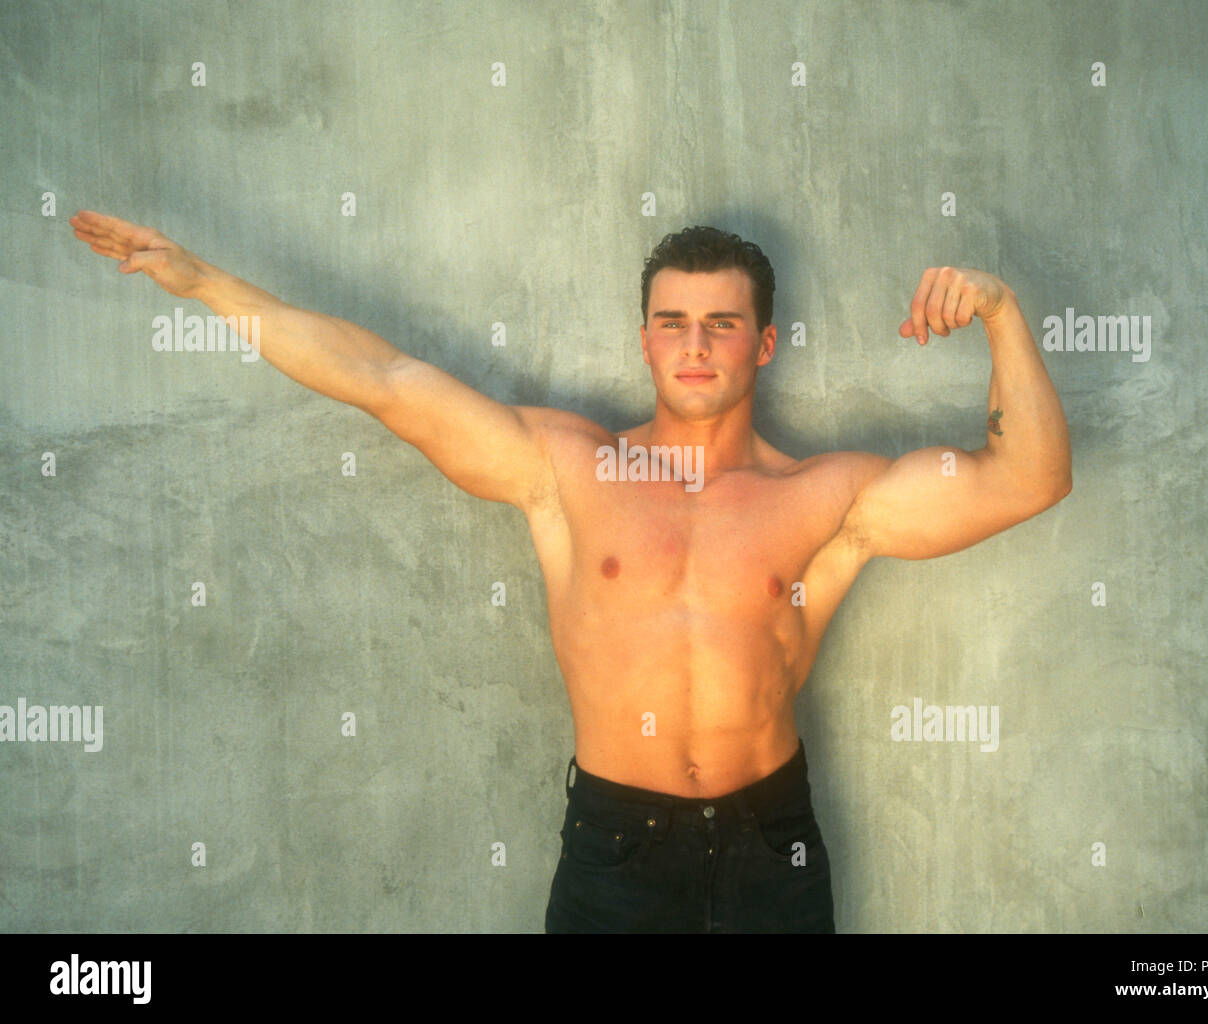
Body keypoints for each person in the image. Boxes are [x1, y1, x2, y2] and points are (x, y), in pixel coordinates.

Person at [69, 213, 1071, 932]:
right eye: (672, 321)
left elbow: (1029, 480)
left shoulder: (827, 493)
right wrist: (203, 284)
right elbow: (381, 381)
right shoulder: (567, 468)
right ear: (644, 338)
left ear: (762, 343)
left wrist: (1000, 310)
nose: (694, 344)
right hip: (614, 847)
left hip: (772, 845)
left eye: (720, 323)